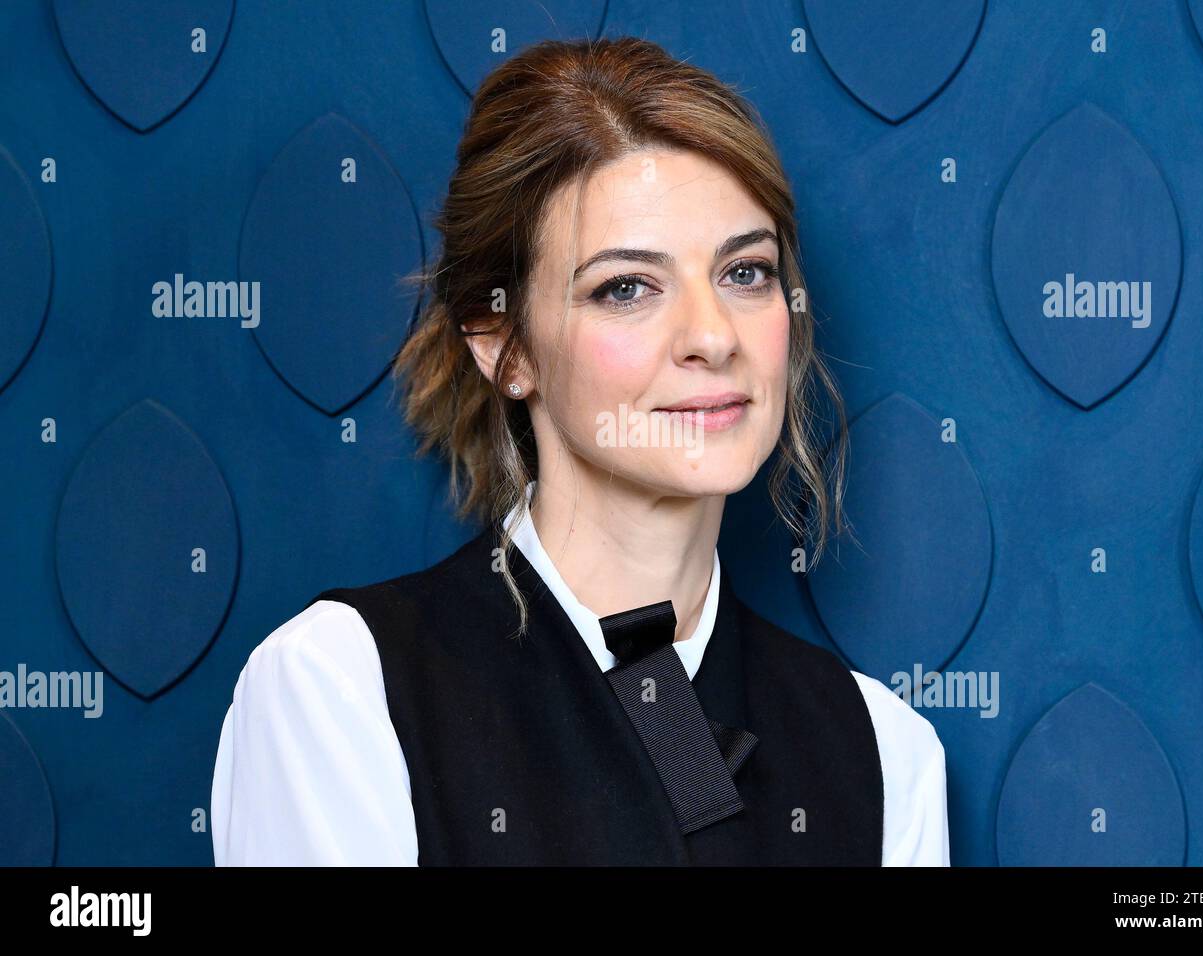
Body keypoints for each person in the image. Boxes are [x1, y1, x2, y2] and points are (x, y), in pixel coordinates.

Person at [211, 35, 949, 866]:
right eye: (625, 287)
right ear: (503, 344)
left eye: (745, 272)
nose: (712, 336)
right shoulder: (341, 690)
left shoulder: (884, 750)